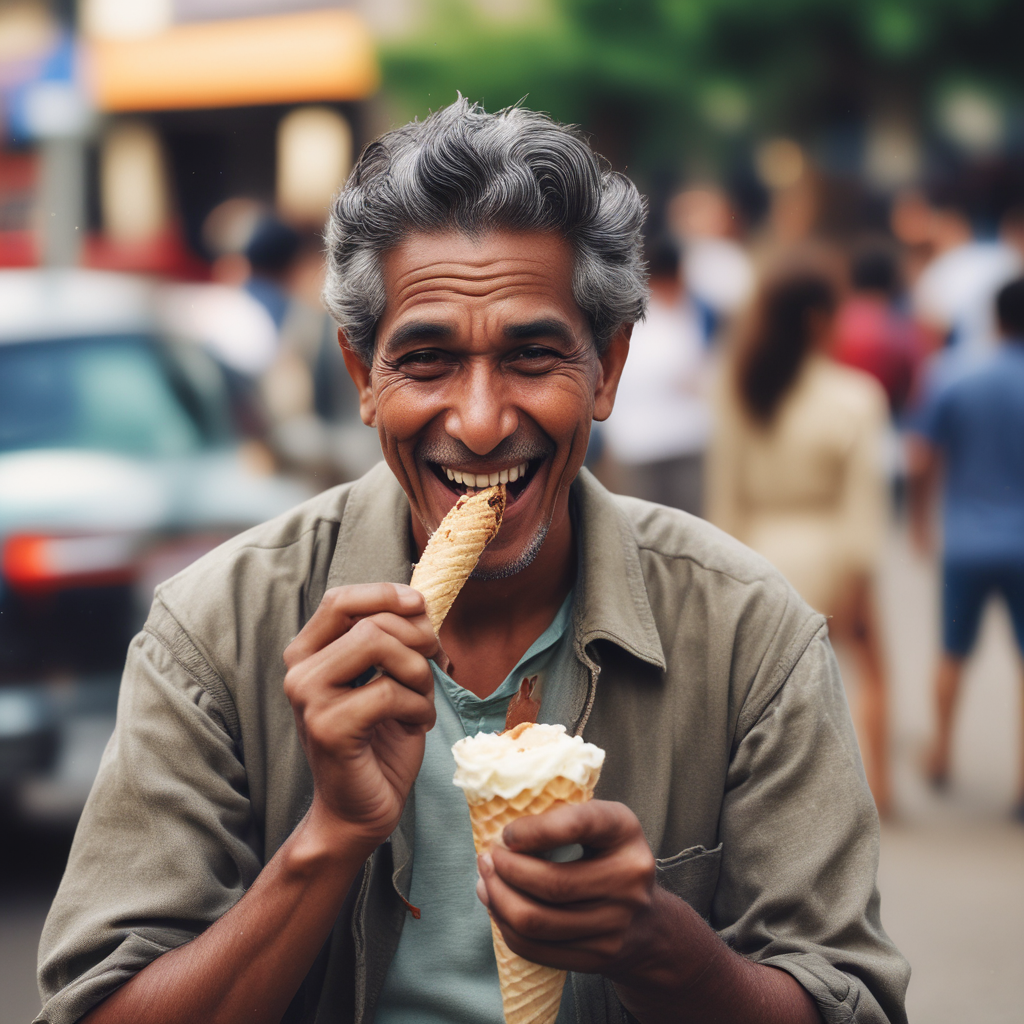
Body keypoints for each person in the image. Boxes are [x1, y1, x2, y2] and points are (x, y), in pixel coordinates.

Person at [37, 100, 908, 1024]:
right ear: (361, 375)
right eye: (427, 360)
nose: (482, 423)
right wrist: (330, 836)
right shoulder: (217, 633)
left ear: (607, 368)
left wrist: (666, 950)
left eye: (533, 355)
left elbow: (851, 999)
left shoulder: (746, 637)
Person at [707, 256, 893, 816]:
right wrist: (858, 575)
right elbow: (863, 504)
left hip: (755, 554)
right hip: (831, 554)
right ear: (817, 318)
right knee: (870, 672)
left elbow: (725, 497)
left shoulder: (738, 388)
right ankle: (877, 790)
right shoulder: (856, 396)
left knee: (764, 689)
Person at [908, 276, 1024, 822]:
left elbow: (920, 456)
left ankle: (941, 753)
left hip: (966, 540)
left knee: (952, 651)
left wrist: (919, 521)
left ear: (995, 317)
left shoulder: (953, 372)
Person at [600, 236, 711, 515]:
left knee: (690, 521)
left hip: (688, 437)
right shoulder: (628, 313)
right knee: (643, 521)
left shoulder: (696, 308)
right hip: (639, 443)